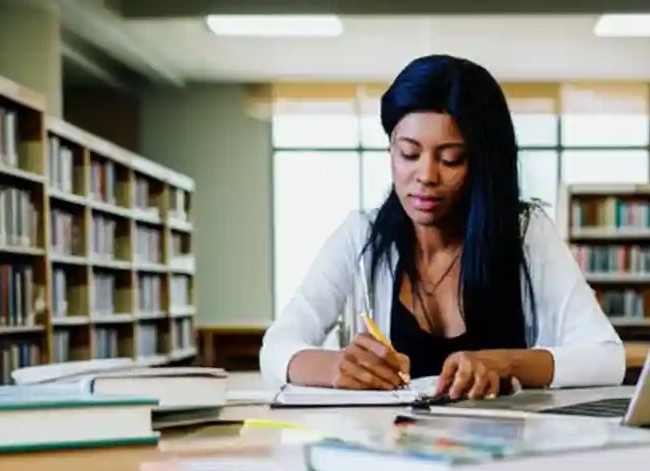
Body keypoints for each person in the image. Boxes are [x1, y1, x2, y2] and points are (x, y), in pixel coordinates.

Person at [260, 54, 624, 400]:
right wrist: (336, 367)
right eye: (409, 154)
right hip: (391, 455)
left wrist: (506, 363)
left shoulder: (526, 233)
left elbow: (607, 359)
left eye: (451, 159)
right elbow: (276, 348)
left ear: (483, 164)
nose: (426, 176)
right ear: (390, 150)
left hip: (504, 456)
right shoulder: (361, 236)